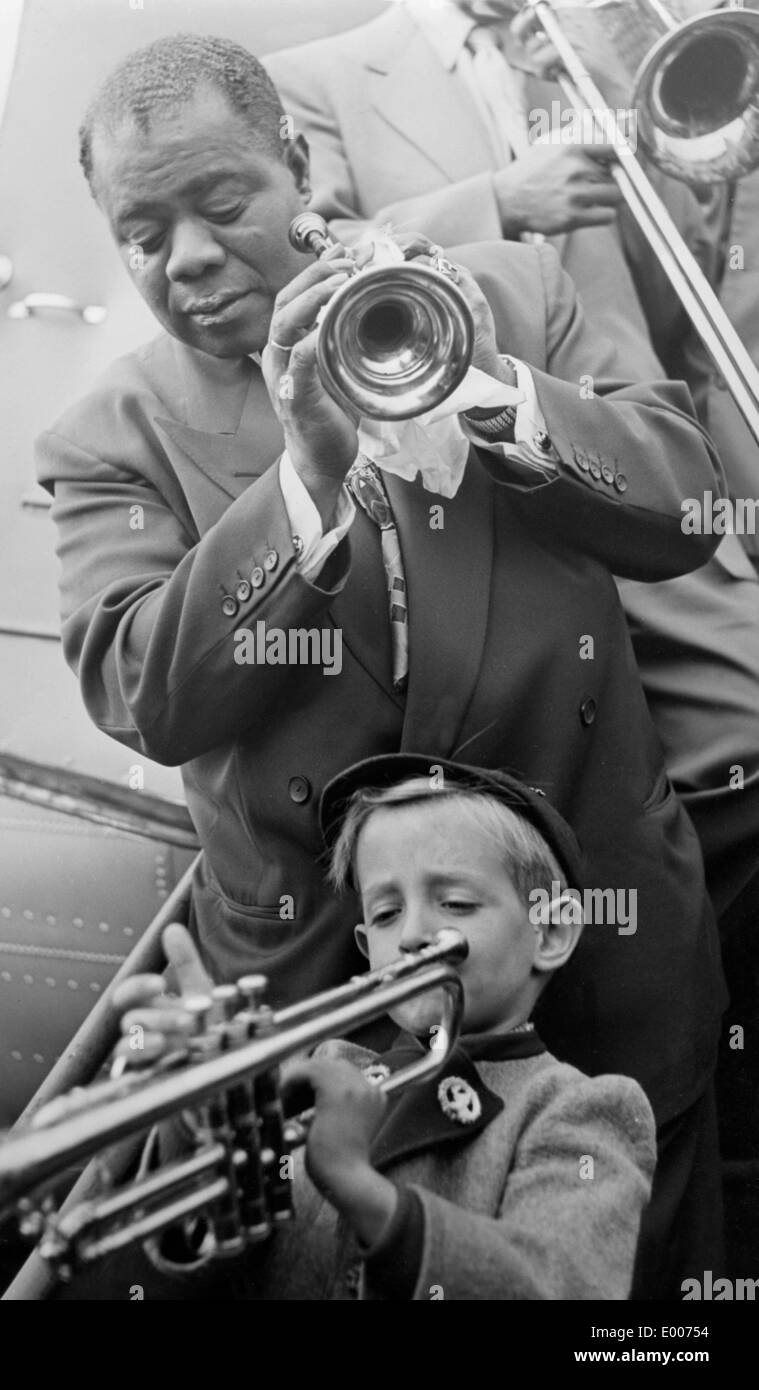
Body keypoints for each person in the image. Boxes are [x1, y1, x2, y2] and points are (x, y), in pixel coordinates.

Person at [35, 33, 725, 1295]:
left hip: (605, 972)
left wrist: (493, 392)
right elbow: (142, 690)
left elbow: (688, 512)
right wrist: (301, 480)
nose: (185, 258)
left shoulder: (511, 290)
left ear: (296, 166)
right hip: (331, 1013)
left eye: (222, 202)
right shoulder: (110, 432)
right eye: (143, 234)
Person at [264, 0, 759, 922]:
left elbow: (676, 287)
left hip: (630, 468)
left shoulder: (573, 57)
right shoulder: (320, 75)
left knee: (743, 746)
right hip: (473, 519)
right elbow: (304, 257)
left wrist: (609, 93)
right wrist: (498, 199)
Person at [119, 756, 658, 1300]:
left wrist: (360, 1188)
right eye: (384, 914)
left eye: (455, 903)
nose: (412, 934)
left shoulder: (579, 1109)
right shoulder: (319, 1073)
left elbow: (563, 1290)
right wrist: (190, 1124)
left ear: (551, 930)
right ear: (366, 951)